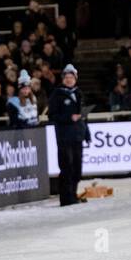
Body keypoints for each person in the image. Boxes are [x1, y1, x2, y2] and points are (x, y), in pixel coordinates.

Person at [48, 64, 87, 206]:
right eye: (67, 77)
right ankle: (66, 198)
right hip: (64, 137)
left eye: (72, 77)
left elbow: (82, 116)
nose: (69, 80)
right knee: (66, 167)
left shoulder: (78, 93)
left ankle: (73, 194)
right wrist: (69, 118)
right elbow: (52, 115)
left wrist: (86, 133)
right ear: (63, 79)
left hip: (77, 136)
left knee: (77, 168)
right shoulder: (57, 94)